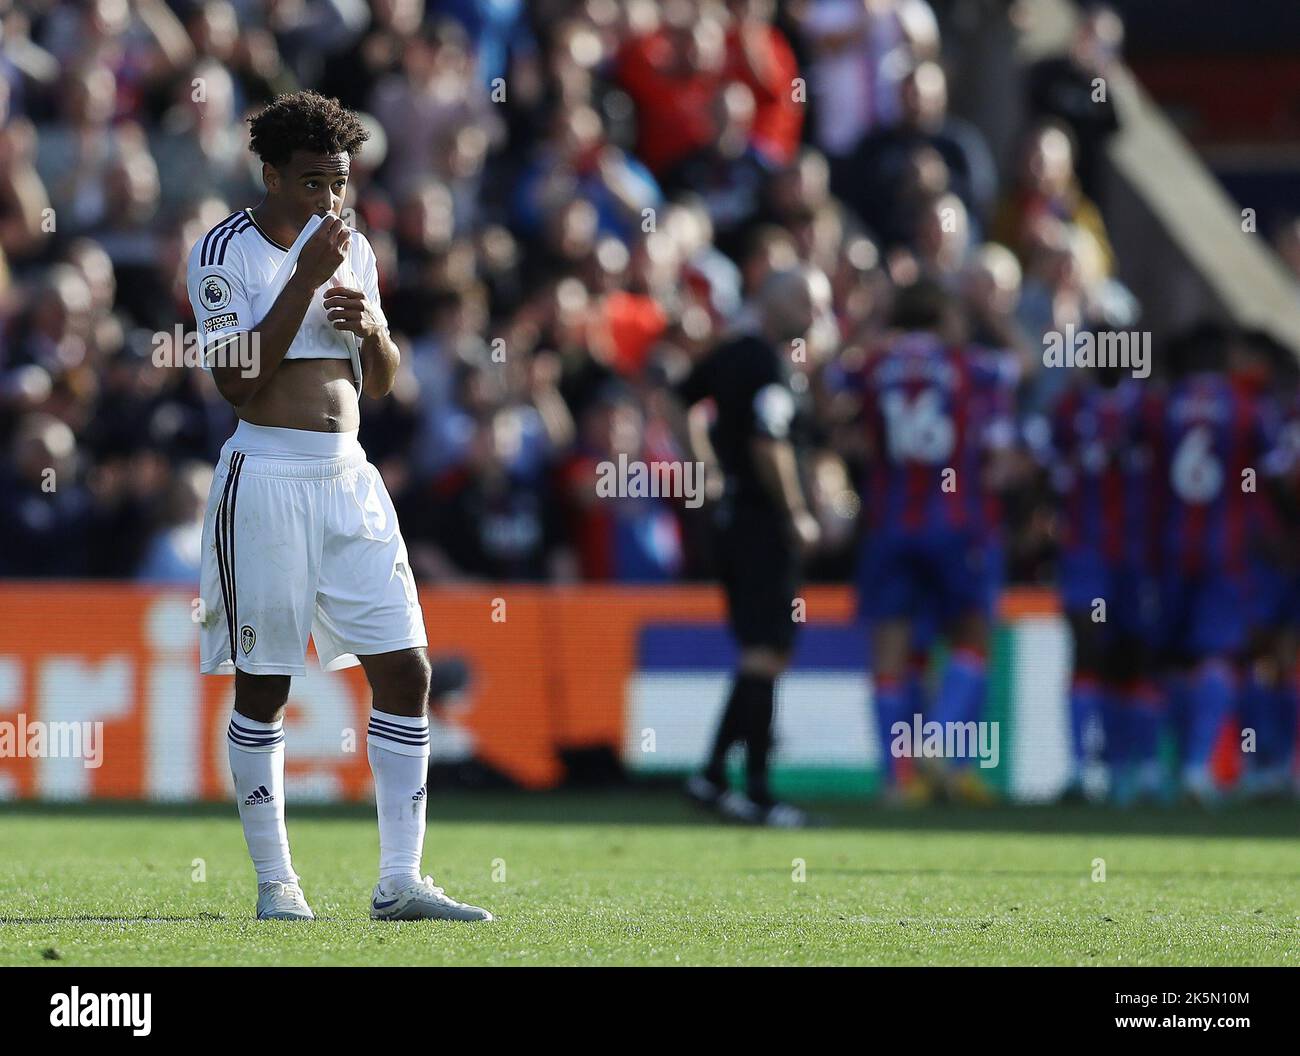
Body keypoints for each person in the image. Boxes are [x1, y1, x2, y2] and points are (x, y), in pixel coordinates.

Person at [186, 90, 491, 923]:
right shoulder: (224, 251)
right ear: (272, 173)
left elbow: (383, 383)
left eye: (342, 182)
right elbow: (239, 384)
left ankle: (399, 879)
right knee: (266, 683)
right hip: (268, 473)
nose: (331, 200)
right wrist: (306, 281)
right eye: (314, 181)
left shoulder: (355, 250)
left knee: (406, 667)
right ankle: (276, 881)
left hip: (349, 473)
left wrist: (372, 336)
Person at [675, 266, 831, 827]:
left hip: (736, 519)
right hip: (761, 525)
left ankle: (714, 776)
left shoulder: (738, 354)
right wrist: (796, 513)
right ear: (772, 304)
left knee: (762, 654)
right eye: (806, 303)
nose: (814, 316)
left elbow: (681, 400)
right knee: (766, 652)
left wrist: (707, 468)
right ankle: (758, 791)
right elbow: (770, 445)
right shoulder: (765, 362)